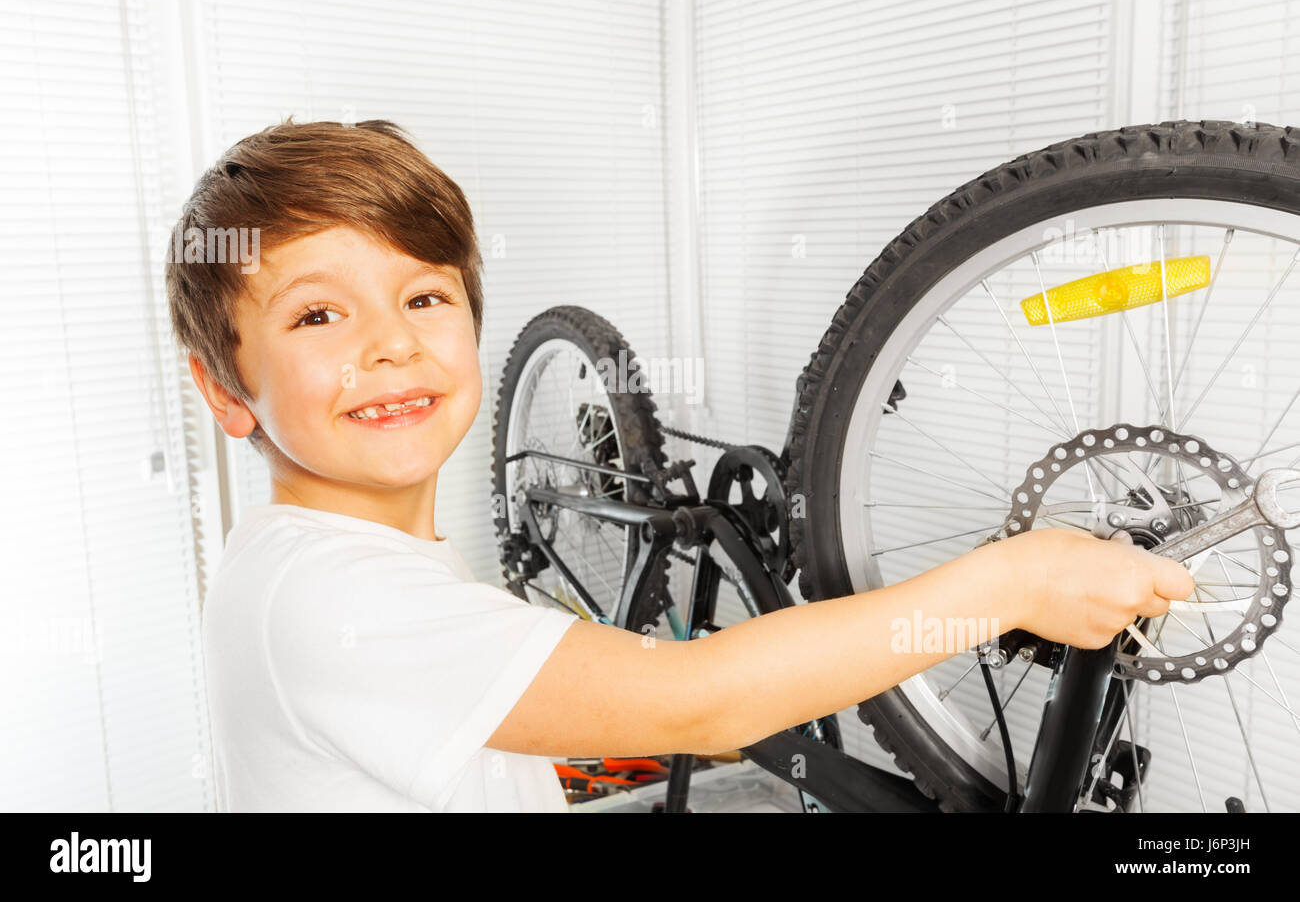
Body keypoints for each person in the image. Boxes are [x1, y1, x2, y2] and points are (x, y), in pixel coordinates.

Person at [167, 118, 1195, 812]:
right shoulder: (323, 599)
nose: (389, 342)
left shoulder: (307, 559)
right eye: (317, 313)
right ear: (223, 388)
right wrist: (1009, 580)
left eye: (424, 297)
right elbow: (697, 699)